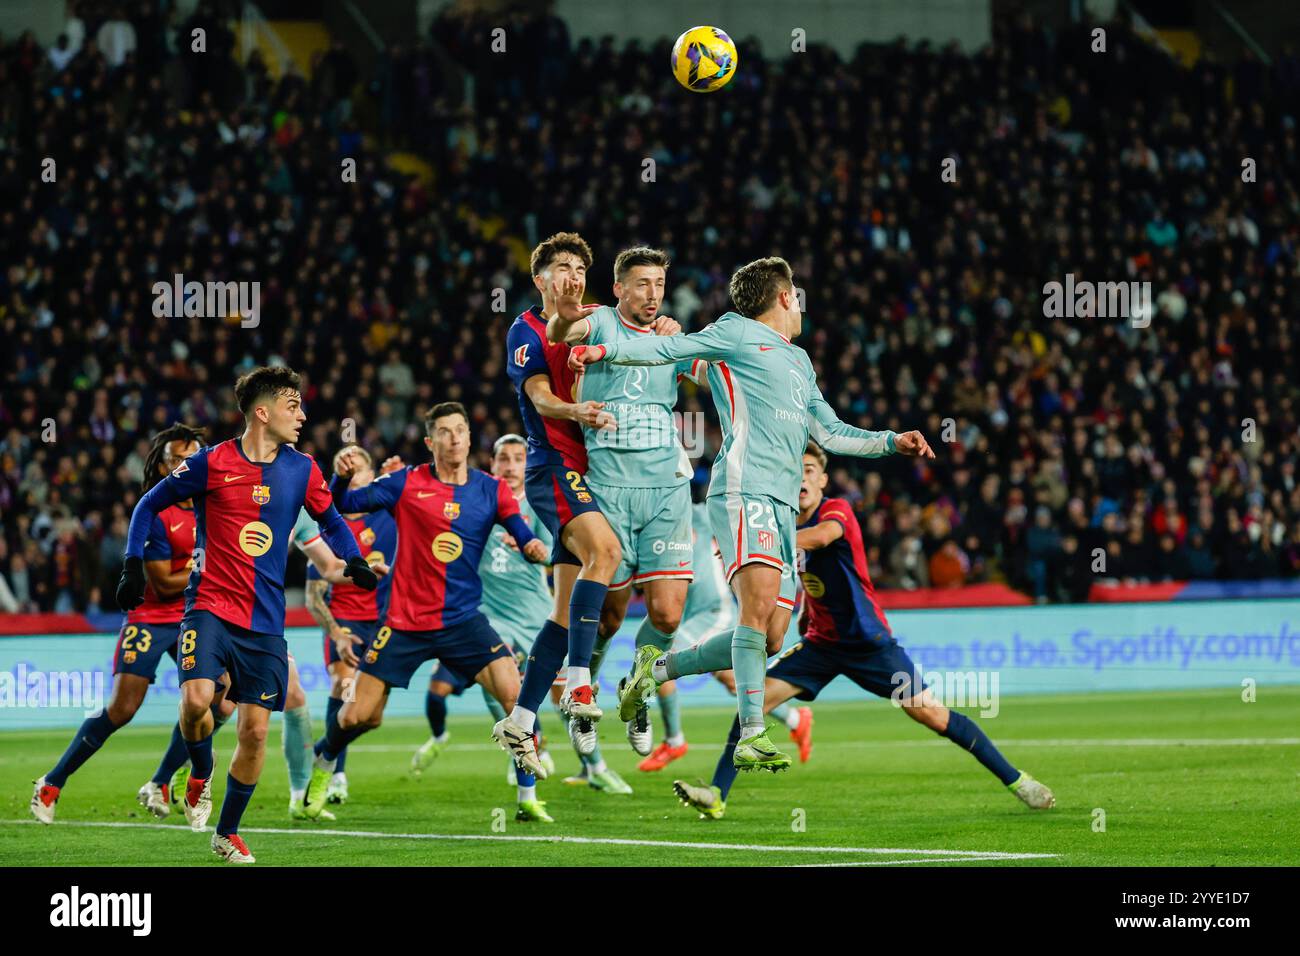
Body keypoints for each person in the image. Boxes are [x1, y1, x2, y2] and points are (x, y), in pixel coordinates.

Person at [573, 255, 934, 770]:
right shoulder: (736, 333)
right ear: (786, 296)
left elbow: (829, 432)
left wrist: (889, 442)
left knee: (771, 636)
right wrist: (601, 349)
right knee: (756, 608)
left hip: (785, 506)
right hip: (744, 491)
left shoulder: (799, 361)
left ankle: (652, 674)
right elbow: (669, 348)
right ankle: (752, 732)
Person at [674, 444, 1055, 818]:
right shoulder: (784, 523)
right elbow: (805, 575)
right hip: (821, 647)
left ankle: (1018, 780)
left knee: (933, 717)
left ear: (822, 479)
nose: (802, 478)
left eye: (809, 470)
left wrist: (757, 544)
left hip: (870, 644)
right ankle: (717, 795)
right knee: (752, 703)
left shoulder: (835, 510)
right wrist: (805, 613)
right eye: (795, 472)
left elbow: (822, 538)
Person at [112, 367, 375, 863]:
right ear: (262, 412)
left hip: (265, 622)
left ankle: (226, 832)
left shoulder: (303, 469)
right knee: (196, 702)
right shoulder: (212, 463)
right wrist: (132, 566)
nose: (302, 414)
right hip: (209, 605)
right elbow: (148, 503)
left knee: (254, 732)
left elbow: (332, 519)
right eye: (292, 405)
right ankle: (200, 773)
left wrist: (353, 558)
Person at [304, 402, 551, 822]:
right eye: (445, 431)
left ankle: (527, 798)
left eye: (461, 430)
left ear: (470, 439)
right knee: (359, 716)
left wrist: (533, 548)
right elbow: (342, 504)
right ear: (429, 441)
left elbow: (520, 530)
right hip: (403, 623)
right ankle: (325, 758)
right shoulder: (405, 482)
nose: (454, 438)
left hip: (463, 621)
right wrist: (340, 478)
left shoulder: (491, 490)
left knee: (518, 700)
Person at [32, 424, 209, 822]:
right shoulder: (157, 512)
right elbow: (162, 583)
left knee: (216, 699)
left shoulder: (210, 506)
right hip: (152, 617)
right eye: (177, 459)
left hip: (193, 618)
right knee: (123, 709)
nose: (185, 465)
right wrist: (209, 571)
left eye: (191, 458)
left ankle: (161, 781)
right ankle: (52, 783)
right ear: (162, 465)